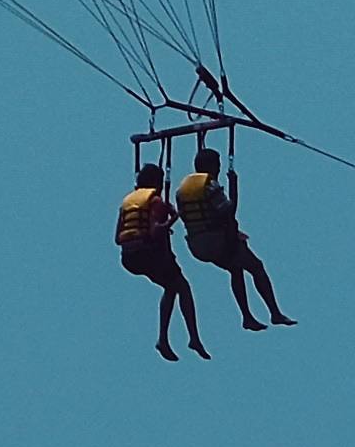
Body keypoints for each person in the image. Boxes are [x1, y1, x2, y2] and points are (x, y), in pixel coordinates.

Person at [175, 135, 295, 328]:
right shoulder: (210, 186)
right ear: (212, 166)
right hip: (217, 243)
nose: (219, 168)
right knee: (256, 267)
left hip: (197, 246)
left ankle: (247, 317)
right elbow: (229, 211)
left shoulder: (181, 191)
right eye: (218, 164)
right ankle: (275, 313)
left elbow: (189, 216)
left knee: (235, 268)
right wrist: (234, 186)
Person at [118, 147, 208, 360]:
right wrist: (172, 220)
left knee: (171, 286)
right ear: (157, 184)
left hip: (129, 257)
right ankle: (193, 337)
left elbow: (117, 237)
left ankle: (163, 340)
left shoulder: (127, 203)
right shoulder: (156, 201)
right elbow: (155, 231)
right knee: (183, 287)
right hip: (148, 255)